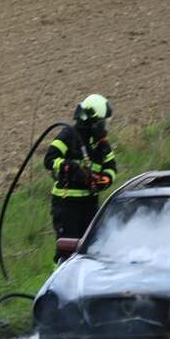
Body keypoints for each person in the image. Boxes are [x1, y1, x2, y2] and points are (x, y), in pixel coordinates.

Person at [44, 93, 118, 259]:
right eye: (102, 123)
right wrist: (67, 166)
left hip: (90, 203)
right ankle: (60, 281)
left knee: (92, 249)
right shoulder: (68, 136)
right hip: (66, 204)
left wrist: (104, 180)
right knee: (67, 251)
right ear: (92, 120)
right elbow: (49, 159)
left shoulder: (101, 145)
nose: (105, 128)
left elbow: (111, 167)